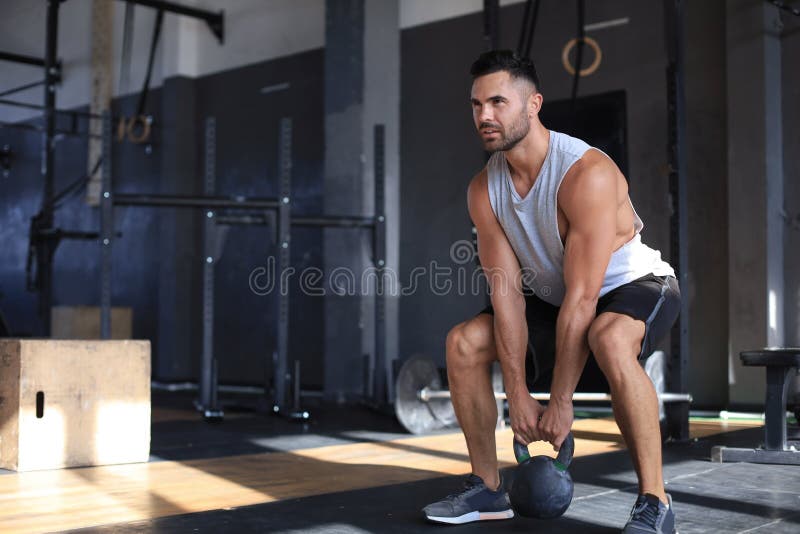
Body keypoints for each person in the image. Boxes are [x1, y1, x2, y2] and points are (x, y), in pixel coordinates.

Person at [422, 50, 681, 534]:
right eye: (476, 105)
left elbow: (585, 298)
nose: (484, 116)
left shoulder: (586, 174)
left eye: (498, 102)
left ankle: (656, 502)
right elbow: (507, 295)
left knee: (607, 337)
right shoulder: (484, 189)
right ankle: (486, 487)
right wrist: (516, 394)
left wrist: (561, 402)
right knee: (464, 343)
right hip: (554, 296)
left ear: (533, 104)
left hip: (633, 286)